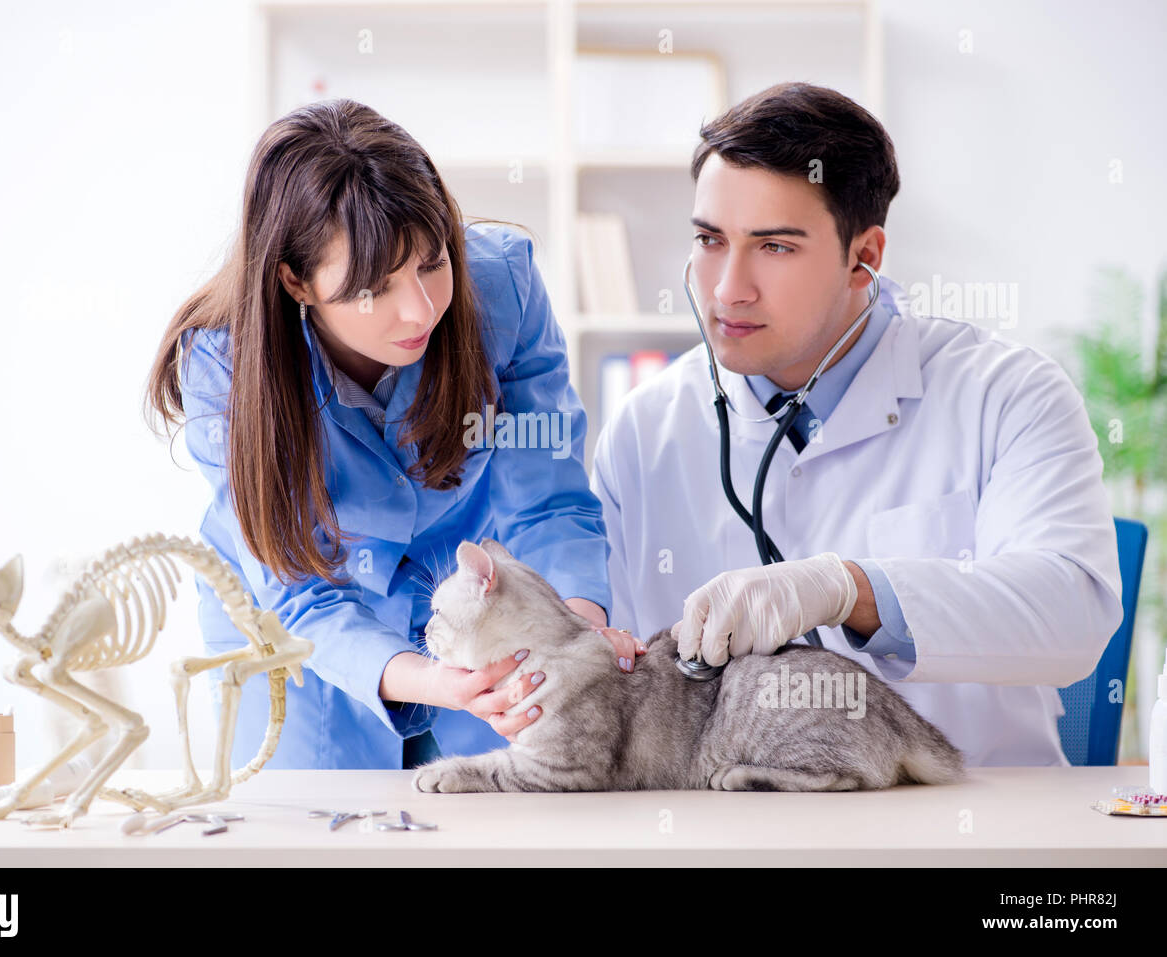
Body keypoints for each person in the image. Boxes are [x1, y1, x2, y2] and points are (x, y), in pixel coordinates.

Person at [591, 82, 1123, 767]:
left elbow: (1072, 616)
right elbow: (608, 659)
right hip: (728, 827)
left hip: (969, 823)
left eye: (774, 247)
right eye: (710, 240)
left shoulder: (1007, 392)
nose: (727, 288)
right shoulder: (644, 427)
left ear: (864, 256)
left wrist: (850, 588)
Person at [146, 99, 644, 771]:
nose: (419, 309)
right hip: (298, 647)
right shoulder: (224, 366)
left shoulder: (505, 289)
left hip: (473, 614)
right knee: (315, 833)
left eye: (432, 262)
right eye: (373, 288)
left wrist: (575, 636)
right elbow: (298, 591)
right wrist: (435, 681)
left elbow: (546, 501)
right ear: (296, 279)